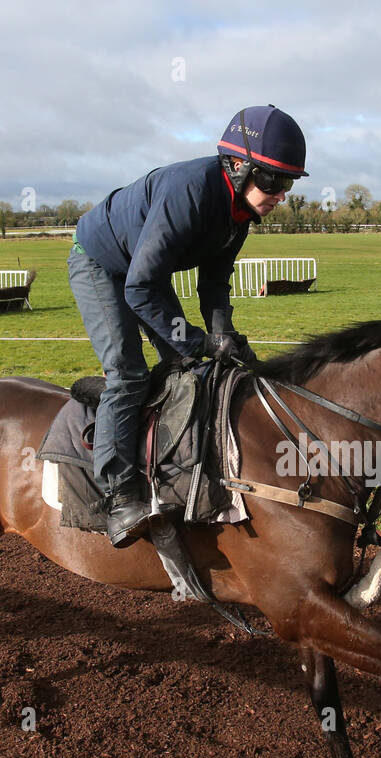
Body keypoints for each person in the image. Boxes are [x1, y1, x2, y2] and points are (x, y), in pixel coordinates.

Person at [68, 105, 308, 547]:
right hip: (102, 264)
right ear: (237, 167)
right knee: (129, 372)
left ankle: (178, 465)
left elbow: (214, 285)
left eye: (288, 183)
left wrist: (225, 339)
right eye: (273, 180)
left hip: (145, 274)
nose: (281, 194)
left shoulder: (240, 213)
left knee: (186, 366)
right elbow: (138, 289)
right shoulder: (190, 191)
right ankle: (119, 496)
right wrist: (200, 339)